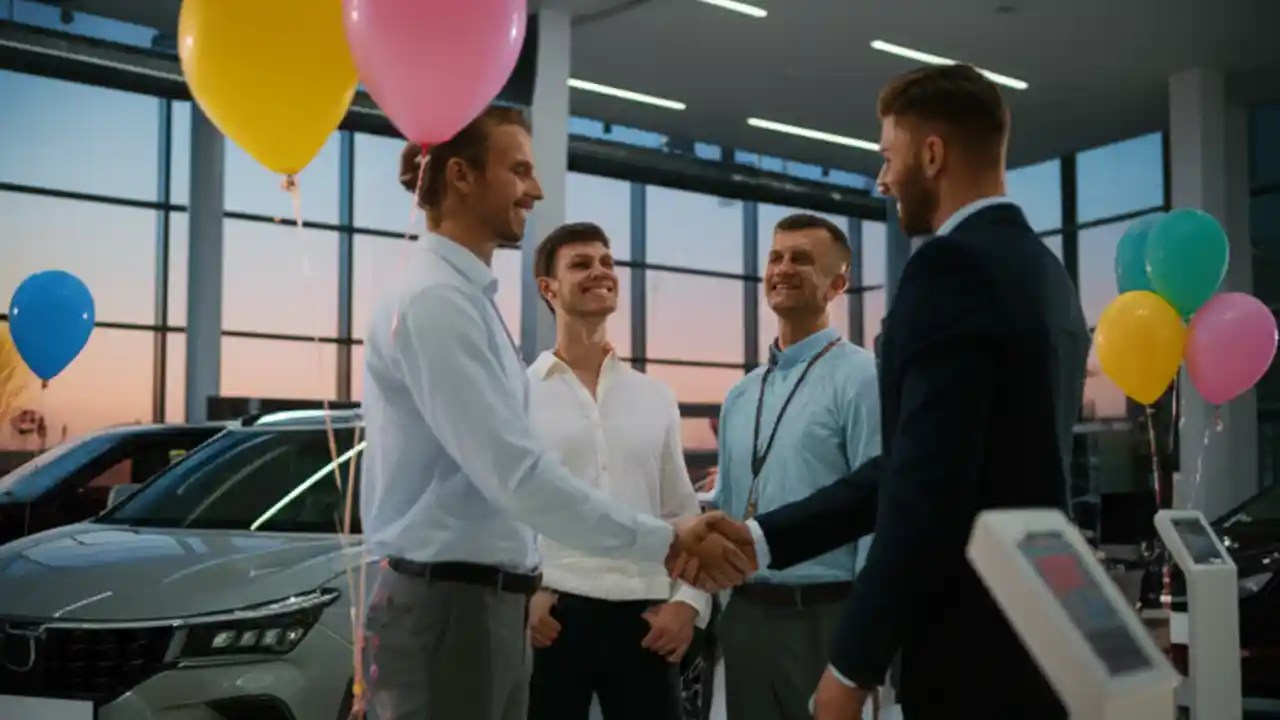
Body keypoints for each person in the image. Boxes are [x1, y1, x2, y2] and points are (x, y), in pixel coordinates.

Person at [677, 64, 1090, 720]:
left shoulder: (948, 267)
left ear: (932, 154)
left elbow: (921, 490)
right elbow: (922, 468)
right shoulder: (1046, 272)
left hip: (966, 642)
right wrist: (760, 539)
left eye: (887, 157)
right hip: (1040, 627)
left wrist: (853, 663)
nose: (882, 179)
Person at [359, 107, 751, 720]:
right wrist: (667, 538)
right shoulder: (437, 300)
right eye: (519, 171)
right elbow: (518, 477)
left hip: (482, 602)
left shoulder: (466, 300)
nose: (536, 190)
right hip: (455, 604)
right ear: (460, 175)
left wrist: (681, 582)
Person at [522, 221, 712, 720]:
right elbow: (504, 510)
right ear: (548, 287)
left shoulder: (654, 397)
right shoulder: (518, 395)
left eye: (606, 262)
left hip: (645, 617)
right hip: (553, 616)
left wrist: (687, 605)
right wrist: (527, 596)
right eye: (581, 264)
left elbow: (683, 514)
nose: (600, 272)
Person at [708, 213, 881, 720]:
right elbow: (727, 506)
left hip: (826, 618)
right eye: (776, 257)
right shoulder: (741, 394)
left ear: (838, 284)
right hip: (745, 616)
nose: (783, 268)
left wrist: (867, 640)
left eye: (801, 259)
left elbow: (880, 508)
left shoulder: (863, 378)